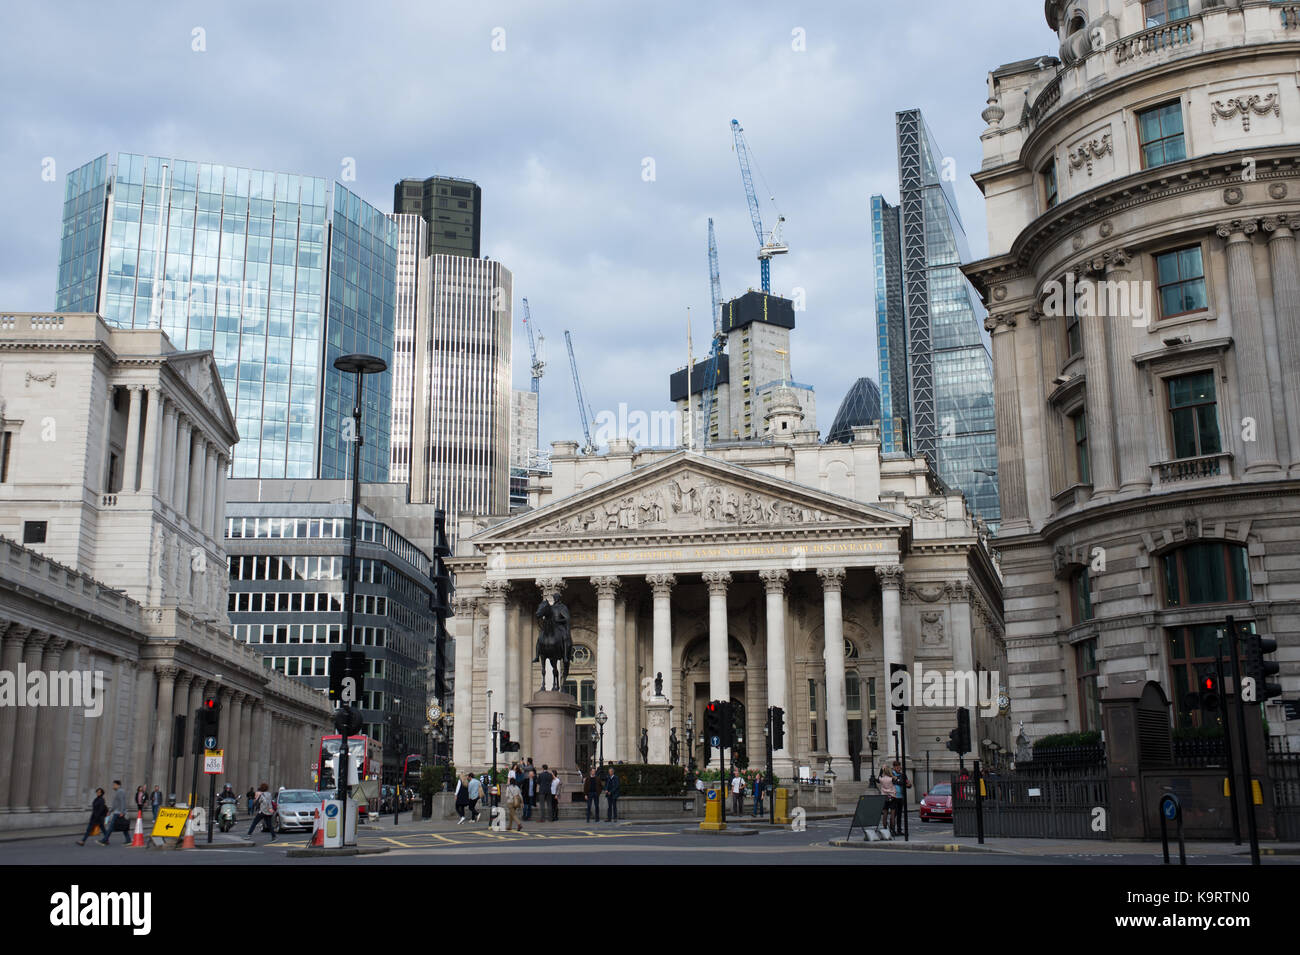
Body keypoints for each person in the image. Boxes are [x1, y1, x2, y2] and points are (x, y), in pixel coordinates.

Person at [98, 781, 130, 845]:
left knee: (111, 827)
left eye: (114, 785)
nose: (113, 786)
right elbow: (115, 804)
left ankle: (105, 840)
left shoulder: (120, 791)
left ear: (118, 785)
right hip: (117, 812)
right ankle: (128, 840)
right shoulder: (118, 792)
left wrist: (122, 812)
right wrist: (110, 811)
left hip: (118, 813)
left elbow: (122, 802)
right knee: (123, 827)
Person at [890, 760, 912, 834]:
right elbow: (895, 782)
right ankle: (892, 830)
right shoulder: (891, 774)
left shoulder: (903, 775)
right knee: (894, 814)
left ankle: (899, 830)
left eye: (899, 767)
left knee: (899, 814)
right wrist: (903, 783)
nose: (899, 768)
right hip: (894, 797)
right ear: (894, 767)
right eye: (897, 767)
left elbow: (908, 784)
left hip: (901, 797)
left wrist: (909, 785)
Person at [877, 764, 897, 832]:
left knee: (885, 814)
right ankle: (893, 829)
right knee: (892, 814)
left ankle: (885, 829)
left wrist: (882, 769)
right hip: (892, 796)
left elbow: (878, 777)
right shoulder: (892, 779)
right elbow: (896, 781)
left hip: (884, 797)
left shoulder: (881, 779)